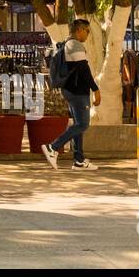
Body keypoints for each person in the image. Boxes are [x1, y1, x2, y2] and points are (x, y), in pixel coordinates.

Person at [42, 18, 101, 171]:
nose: (88, 34)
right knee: (83, 124)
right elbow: (83, 70)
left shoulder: (67, 44)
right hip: (77, 91)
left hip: (71, 90)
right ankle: (53, 147)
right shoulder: (75, 45)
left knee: (78, 125)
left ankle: (78, 160)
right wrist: (95, 89)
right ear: (79, 30)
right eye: (87, 31)